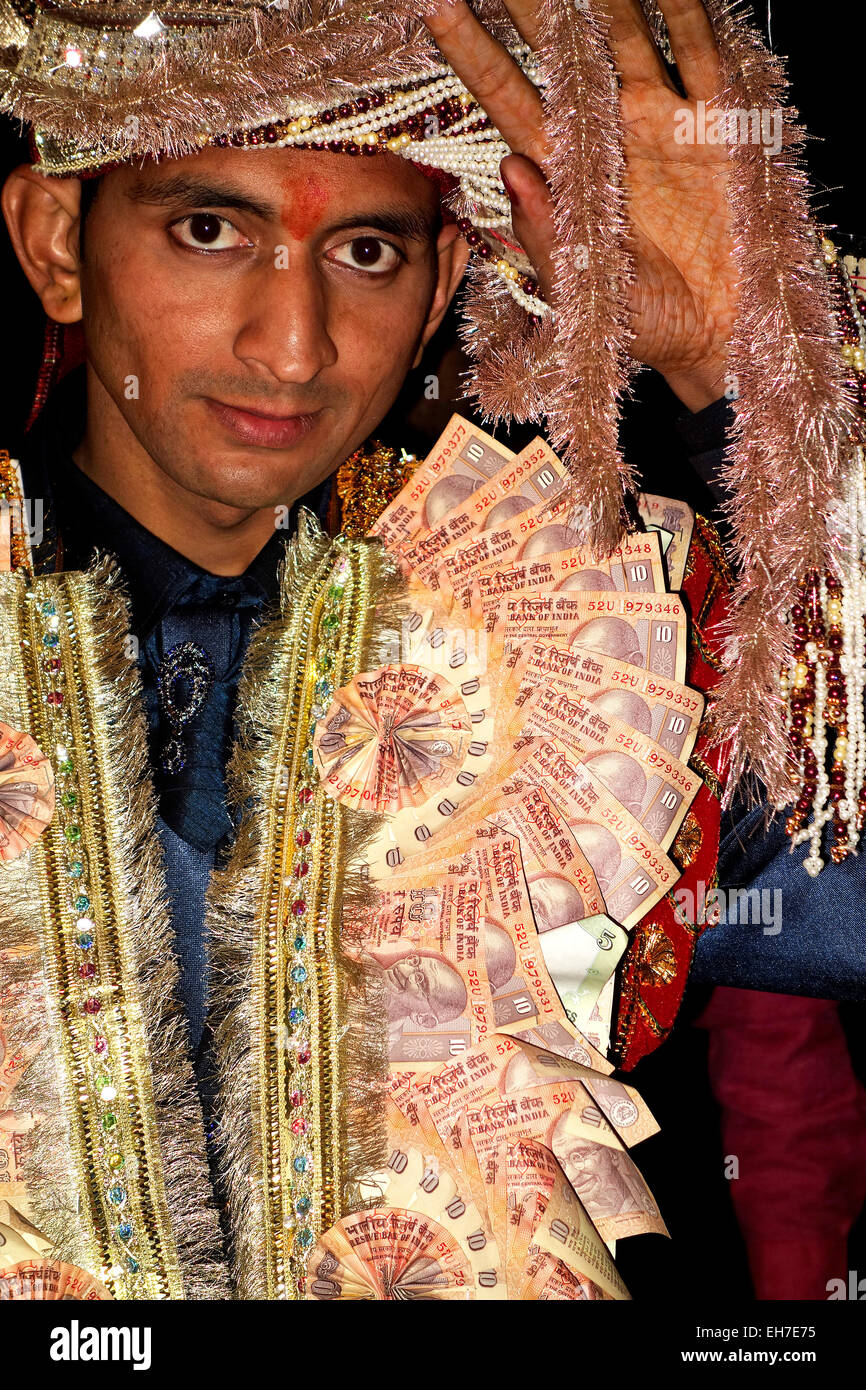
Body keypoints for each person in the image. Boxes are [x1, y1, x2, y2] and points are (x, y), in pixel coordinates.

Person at [0, 0, 858, 1302]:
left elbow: (836, 894)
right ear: (55, 240)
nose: (290, 346)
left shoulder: (571, 628)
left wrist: (746, 367)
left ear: (444, 282)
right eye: (208, 229)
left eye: (361, 250)